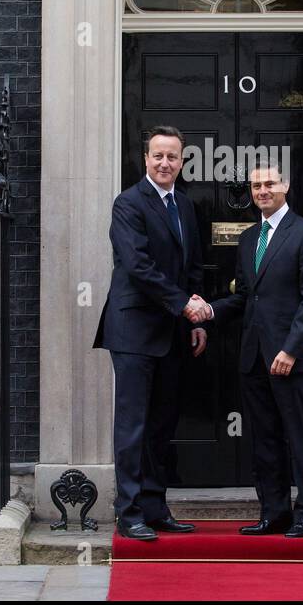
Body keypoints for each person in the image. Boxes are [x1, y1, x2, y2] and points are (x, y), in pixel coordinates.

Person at [196, 162, 303, 538]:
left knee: (299, 438)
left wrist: (291, 350)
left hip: (292, 358)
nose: (262, 190)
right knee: (265, 438)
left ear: (285, 185)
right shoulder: (250, 238)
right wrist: (209, 310)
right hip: (254, 356)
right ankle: (274, 513)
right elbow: (245, 297)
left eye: (269, 183)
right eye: (256, 185)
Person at [93, 126, 211, 541]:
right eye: (158, 156)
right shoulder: (128, 203)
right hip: (133, 331)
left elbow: (194, 265)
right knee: (133, 425)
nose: (165, 163)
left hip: (174, 331)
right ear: (145, 159)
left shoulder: (185, 204)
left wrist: (192, 318)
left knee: (162, 424)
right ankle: (128, 513)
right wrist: (182, 303)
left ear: (182, 161)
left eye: (173, 157)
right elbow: (138, 266)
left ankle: (156, 507)